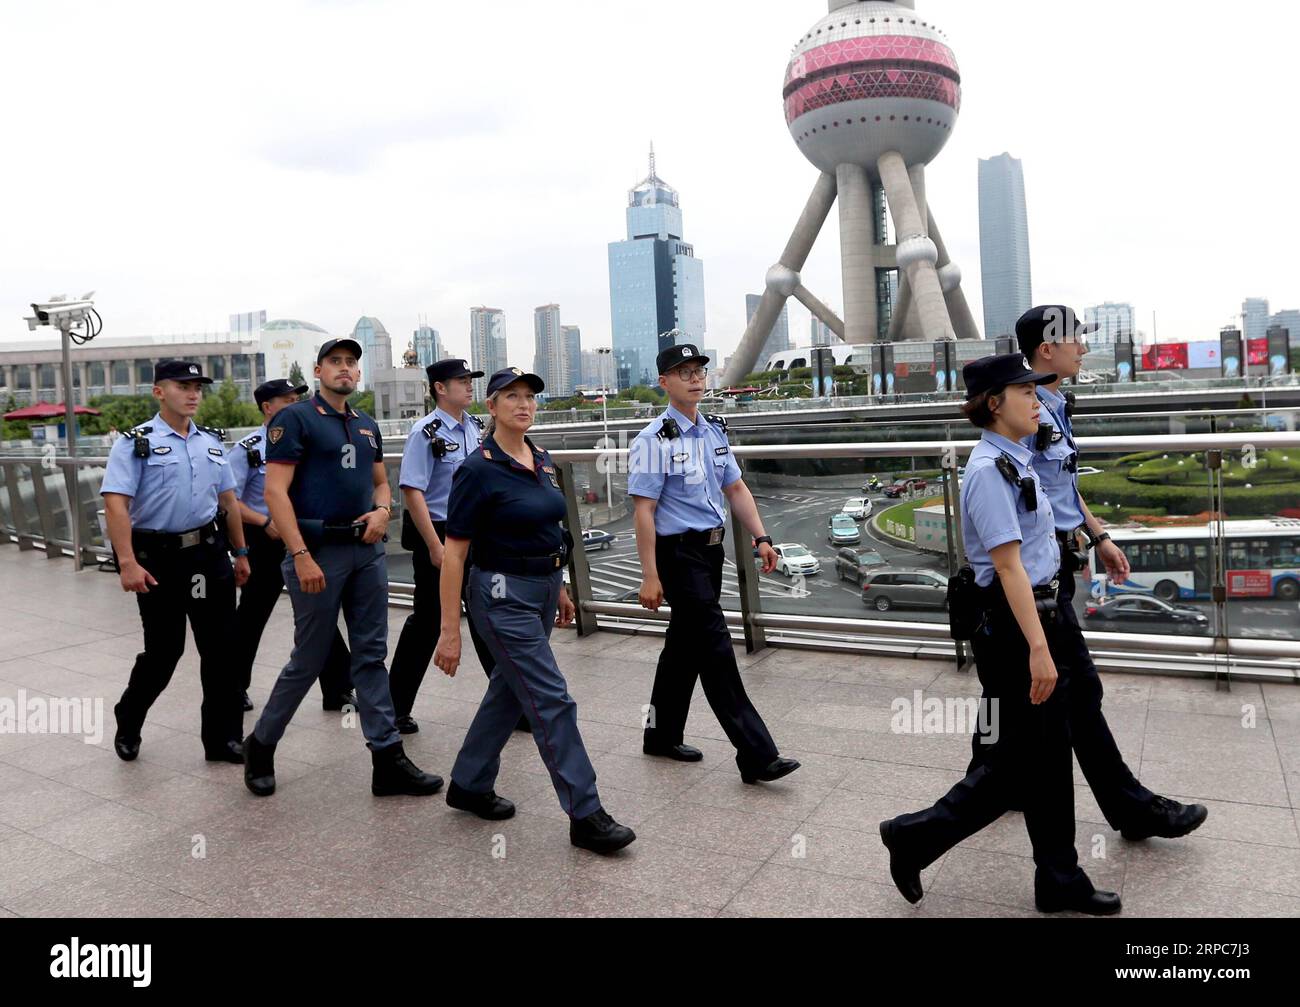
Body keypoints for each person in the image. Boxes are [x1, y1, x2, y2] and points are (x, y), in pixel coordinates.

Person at [879, 353, 1122, 915]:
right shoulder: (989, 472)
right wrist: (1039, 647)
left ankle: (1058, 876)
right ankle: (915, 835)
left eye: (1037, 393)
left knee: (1041, 753)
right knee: (1024, 759)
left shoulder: (1021, 458)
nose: (1038, 401)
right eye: (1025, 393)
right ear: (994, 403)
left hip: (1040, 616)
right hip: (1017, 626)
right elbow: (1009, 567)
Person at [1012, 305, 1208, 841]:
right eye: (1076, 339)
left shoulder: (1053, 404)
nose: (1084, 347)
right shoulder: (1026, 412)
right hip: (1039, 569)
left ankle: (998, 786)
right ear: (1046, 349)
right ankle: (1132, 809)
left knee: (1019, 695)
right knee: (1077, 690)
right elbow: (1020, 494)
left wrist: (1098, 536)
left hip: (1055, 559)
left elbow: (1061, 487)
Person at [433, 367, 636, 854]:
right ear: (491, 407)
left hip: (544, 590)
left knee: (509, 690)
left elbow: (553, 532)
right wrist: (449, 631)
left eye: (529, 397)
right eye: (511, 397)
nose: (523, 404)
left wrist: (561, 585)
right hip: (501, 595)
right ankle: (585, 813)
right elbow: (455, 553)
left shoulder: (541, 459)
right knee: (551, 698)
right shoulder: (477, 469)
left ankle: (468, 783)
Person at [241, 338, 442, 799]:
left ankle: (387, 759)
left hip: (365, 550)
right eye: (336, 362)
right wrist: (299, 553)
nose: (345, 369)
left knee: (370, 655)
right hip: (317, 551)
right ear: (318, 370)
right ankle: (262, 744)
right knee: (309, 659)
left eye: (352, 363)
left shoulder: (366, 425)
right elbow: (275, 493)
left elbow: (379, 484)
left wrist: (381, 511)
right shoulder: (295, 420)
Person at [627, 343, 799, 784]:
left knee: (683, 649)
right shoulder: (652, 440)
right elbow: (643, 511)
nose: (695, 378)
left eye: (699, 370)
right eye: (683, 372)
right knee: (715, 648)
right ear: (664, 383)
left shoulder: (714, 430)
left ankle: (660, 735)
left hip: (709, 551)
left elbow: (736, 489)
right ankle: (756, 754)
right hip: (677, 555)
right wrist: (650, 575)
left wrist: (762, 538)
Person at [101, 359, 250, 764]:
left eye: (197, 386)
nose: (192, 393)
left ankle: (223, 739)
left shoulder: (211, 442)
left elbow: (228, 501)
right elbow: (116, 504)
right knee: (165, 652)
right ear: (158, 392)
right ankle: (129, 716)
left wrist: (240, 552)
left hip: (208, 554)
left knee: (222, 650)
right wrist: (127, 563)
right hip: (158, 560)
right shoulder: (135, 442)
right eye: (183, 385)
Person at [387, 358, 526, 734]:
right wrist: (435, 546)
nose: (469, 386)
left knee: (487, 619)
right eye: (460, 381)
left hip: (475, 533)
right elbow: (412, 490)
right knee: (427, 623)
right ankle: (394, 708)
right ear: (440, 388)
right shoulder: (425, 431)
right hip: (440, 534)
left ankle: (513, 705)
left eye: (470, 380)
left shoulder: (477, 427)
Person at [227, 378, 354, 715]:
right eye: (288, 400)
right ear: (268, 407)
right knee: (252, 618)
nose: (297, 404)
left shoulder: (307, 440)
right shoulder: (249, 449)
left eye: (298, 398)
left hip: (305, 536)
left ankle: (338, 690)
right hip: (266, 539)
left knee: (320, 613)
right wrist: (263, 521)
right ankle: (234, 687)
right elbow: (228, 500)